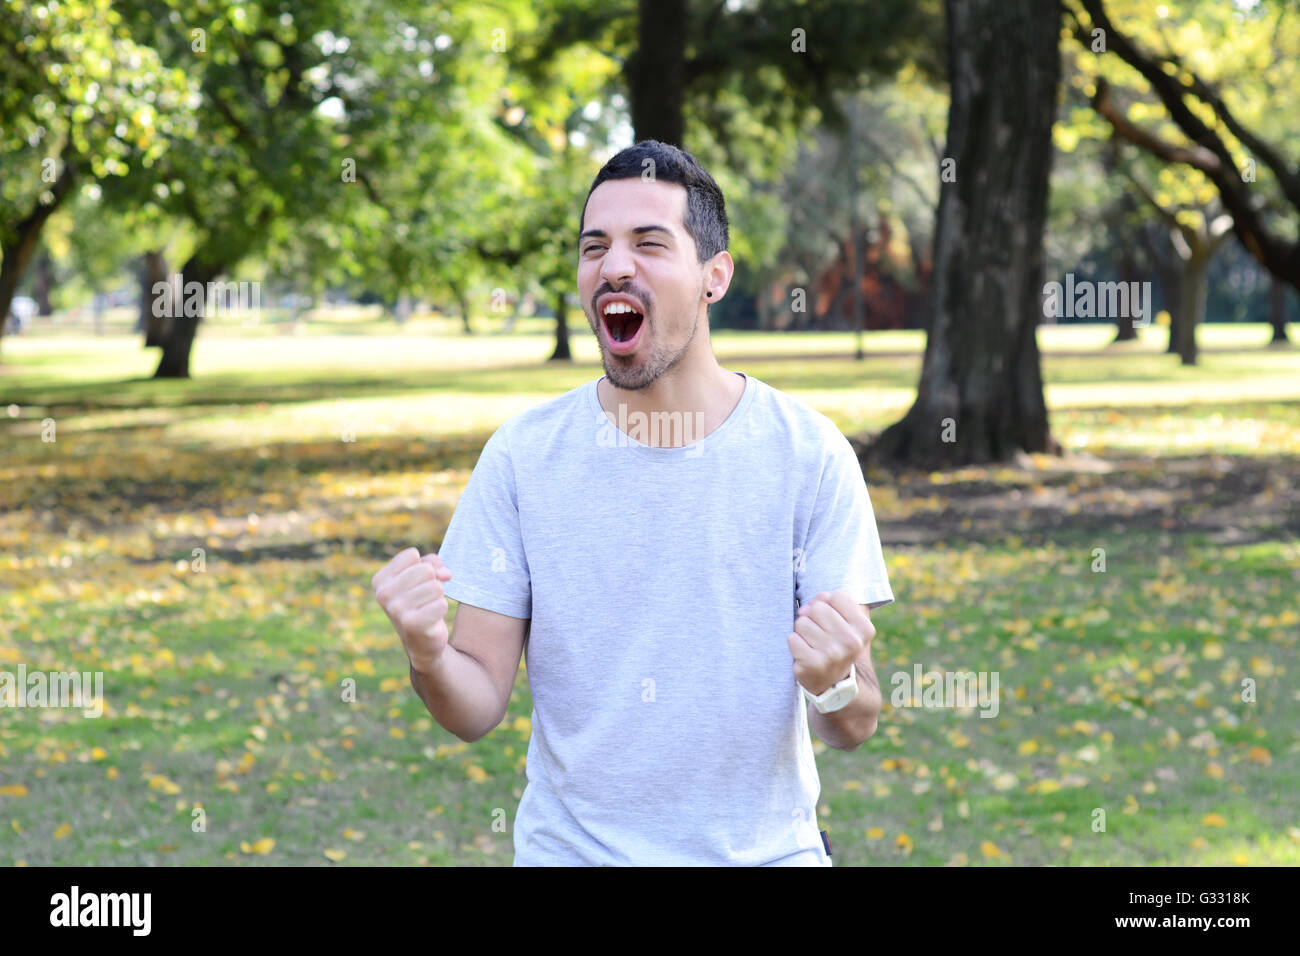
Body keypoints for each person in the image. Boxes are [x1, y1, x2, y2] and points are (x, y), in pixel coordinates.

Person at [371, 140, 894, 866]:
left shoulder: (809, 454)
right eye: (595, 247)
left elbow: (854, 721)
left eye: (649, 243)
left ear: (715, 275)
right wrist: (427, 655)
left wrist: (834, 679)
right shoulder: (524, 457)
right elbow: (474, 704)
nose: (614, 265)